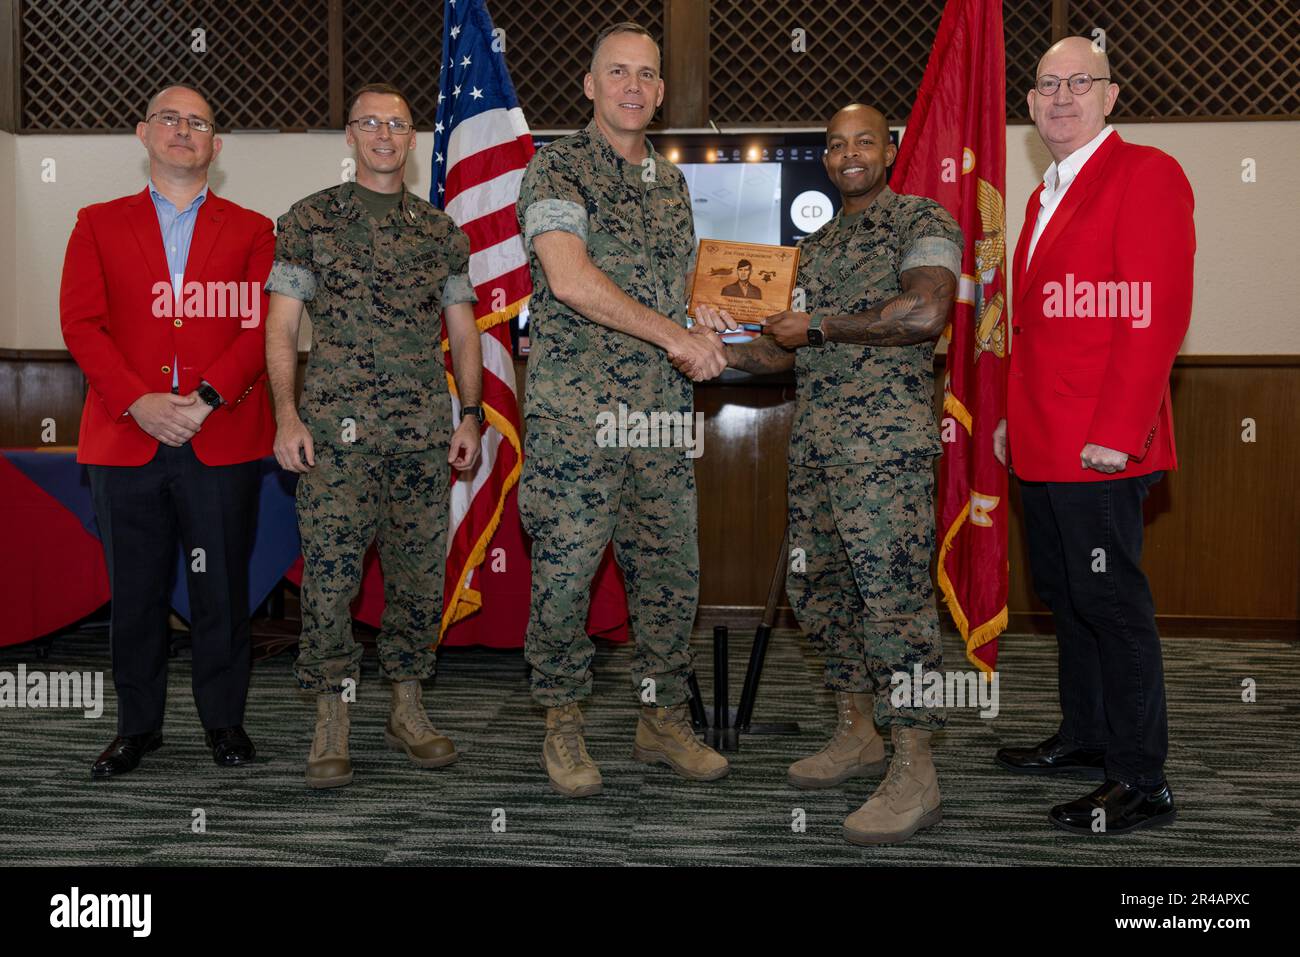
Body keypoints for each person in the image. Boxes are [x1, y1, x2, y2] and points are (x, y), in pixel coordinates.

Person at [694, 104, 961, 845]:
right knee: (821, 593)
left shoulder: (921, 219)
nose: (849, 155)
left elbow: (924, 312)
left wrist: (816, 324)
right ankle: (858, 728)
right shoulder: (812, 248)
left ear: (890, 149)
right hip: (815, 453)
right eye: (836, 145)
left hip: (886, 456)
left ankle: (916, 766)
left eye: (863, 142)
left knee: (895, 606)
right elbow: (786, 353)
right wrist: (706, 349)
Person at [516, 21, 729, 798]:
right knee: (567, 576)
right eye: (617, 72)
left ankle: (659, 716)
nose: (633, 86)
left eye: (646, 74)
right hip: (579, 421)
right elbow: (570, 280)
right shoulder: (556, 171)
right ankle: (562, 721)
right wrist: (677, 334)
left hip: (662, 422)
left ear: (662, 91)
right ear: (590, 84)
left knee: (671, 575)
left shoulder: (669, 183)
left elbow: (677, 292)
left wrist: (701, 323)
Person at [992, 37, 1195, 835]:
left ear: (1111, 96)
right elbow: (1039, 328)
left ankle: (1141, 777)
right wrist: (1012, 415)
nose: (1062, 97)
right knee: (1066, 598)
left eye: (1080, 83)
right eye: (1047, 86)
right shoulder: (1043, 193)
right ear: (1033, 104)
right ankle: (1085, 736)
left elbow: (1156, 315)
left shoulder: (1146, 174)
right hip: (1044, 442)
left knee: (1113, 605)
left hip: (1101, 448)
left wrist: (1118, 431)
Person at [264, 83, 484, 789]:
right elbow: (280, 326)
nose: (384, 134)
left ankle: (408, 705)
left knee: (420, 581)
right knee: (330, 585)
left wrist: (473, 413)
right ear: (351, 136)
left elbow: (461, 329)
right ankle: (332, 713)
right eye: (370, 123)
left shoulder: (441, 233)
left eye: (397, 124)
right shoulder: (308, 221)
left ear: (412, 139)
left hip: (420, 436)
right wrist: (286, 415)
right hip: (333, 437)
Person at [60, 84, 275, 779]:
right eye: (171, 119)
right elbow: (82, 326)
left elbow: (262, 327)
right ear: (143, 132)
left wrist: (206, 397)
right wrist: (139, 402)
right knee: (137, 592)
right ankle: (136, 728)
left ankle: (223, 720)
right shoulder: (96, 222)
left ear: (216, 145)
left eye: (200, 122)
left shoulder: (252, 229)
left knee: (221, 592)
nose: (185, 130)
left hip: (222, 439)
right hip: (126, 441)